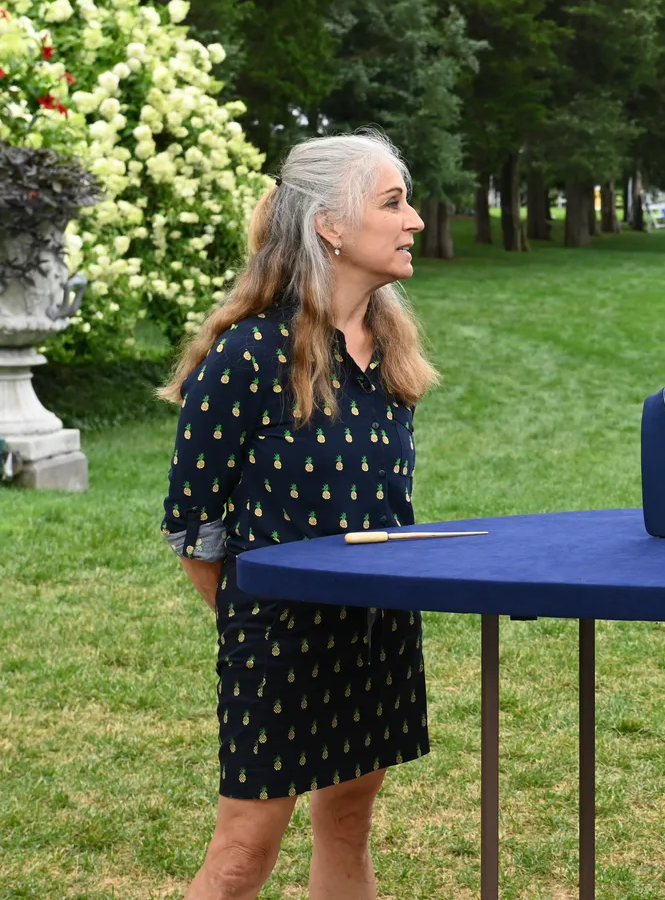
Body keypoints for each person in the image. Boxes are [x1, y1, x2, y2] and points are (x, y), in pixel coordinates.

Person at [159, 131, 439, 898]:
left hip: (378, 634)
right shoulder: (247, 356)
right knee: (243, 854)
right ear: (331, 226)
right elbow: (193, 525)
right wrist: (260, 624)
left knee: (349, 822)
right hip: (279, 644)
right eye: (393, 202)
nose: (413, 219)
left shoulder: (389, 348)